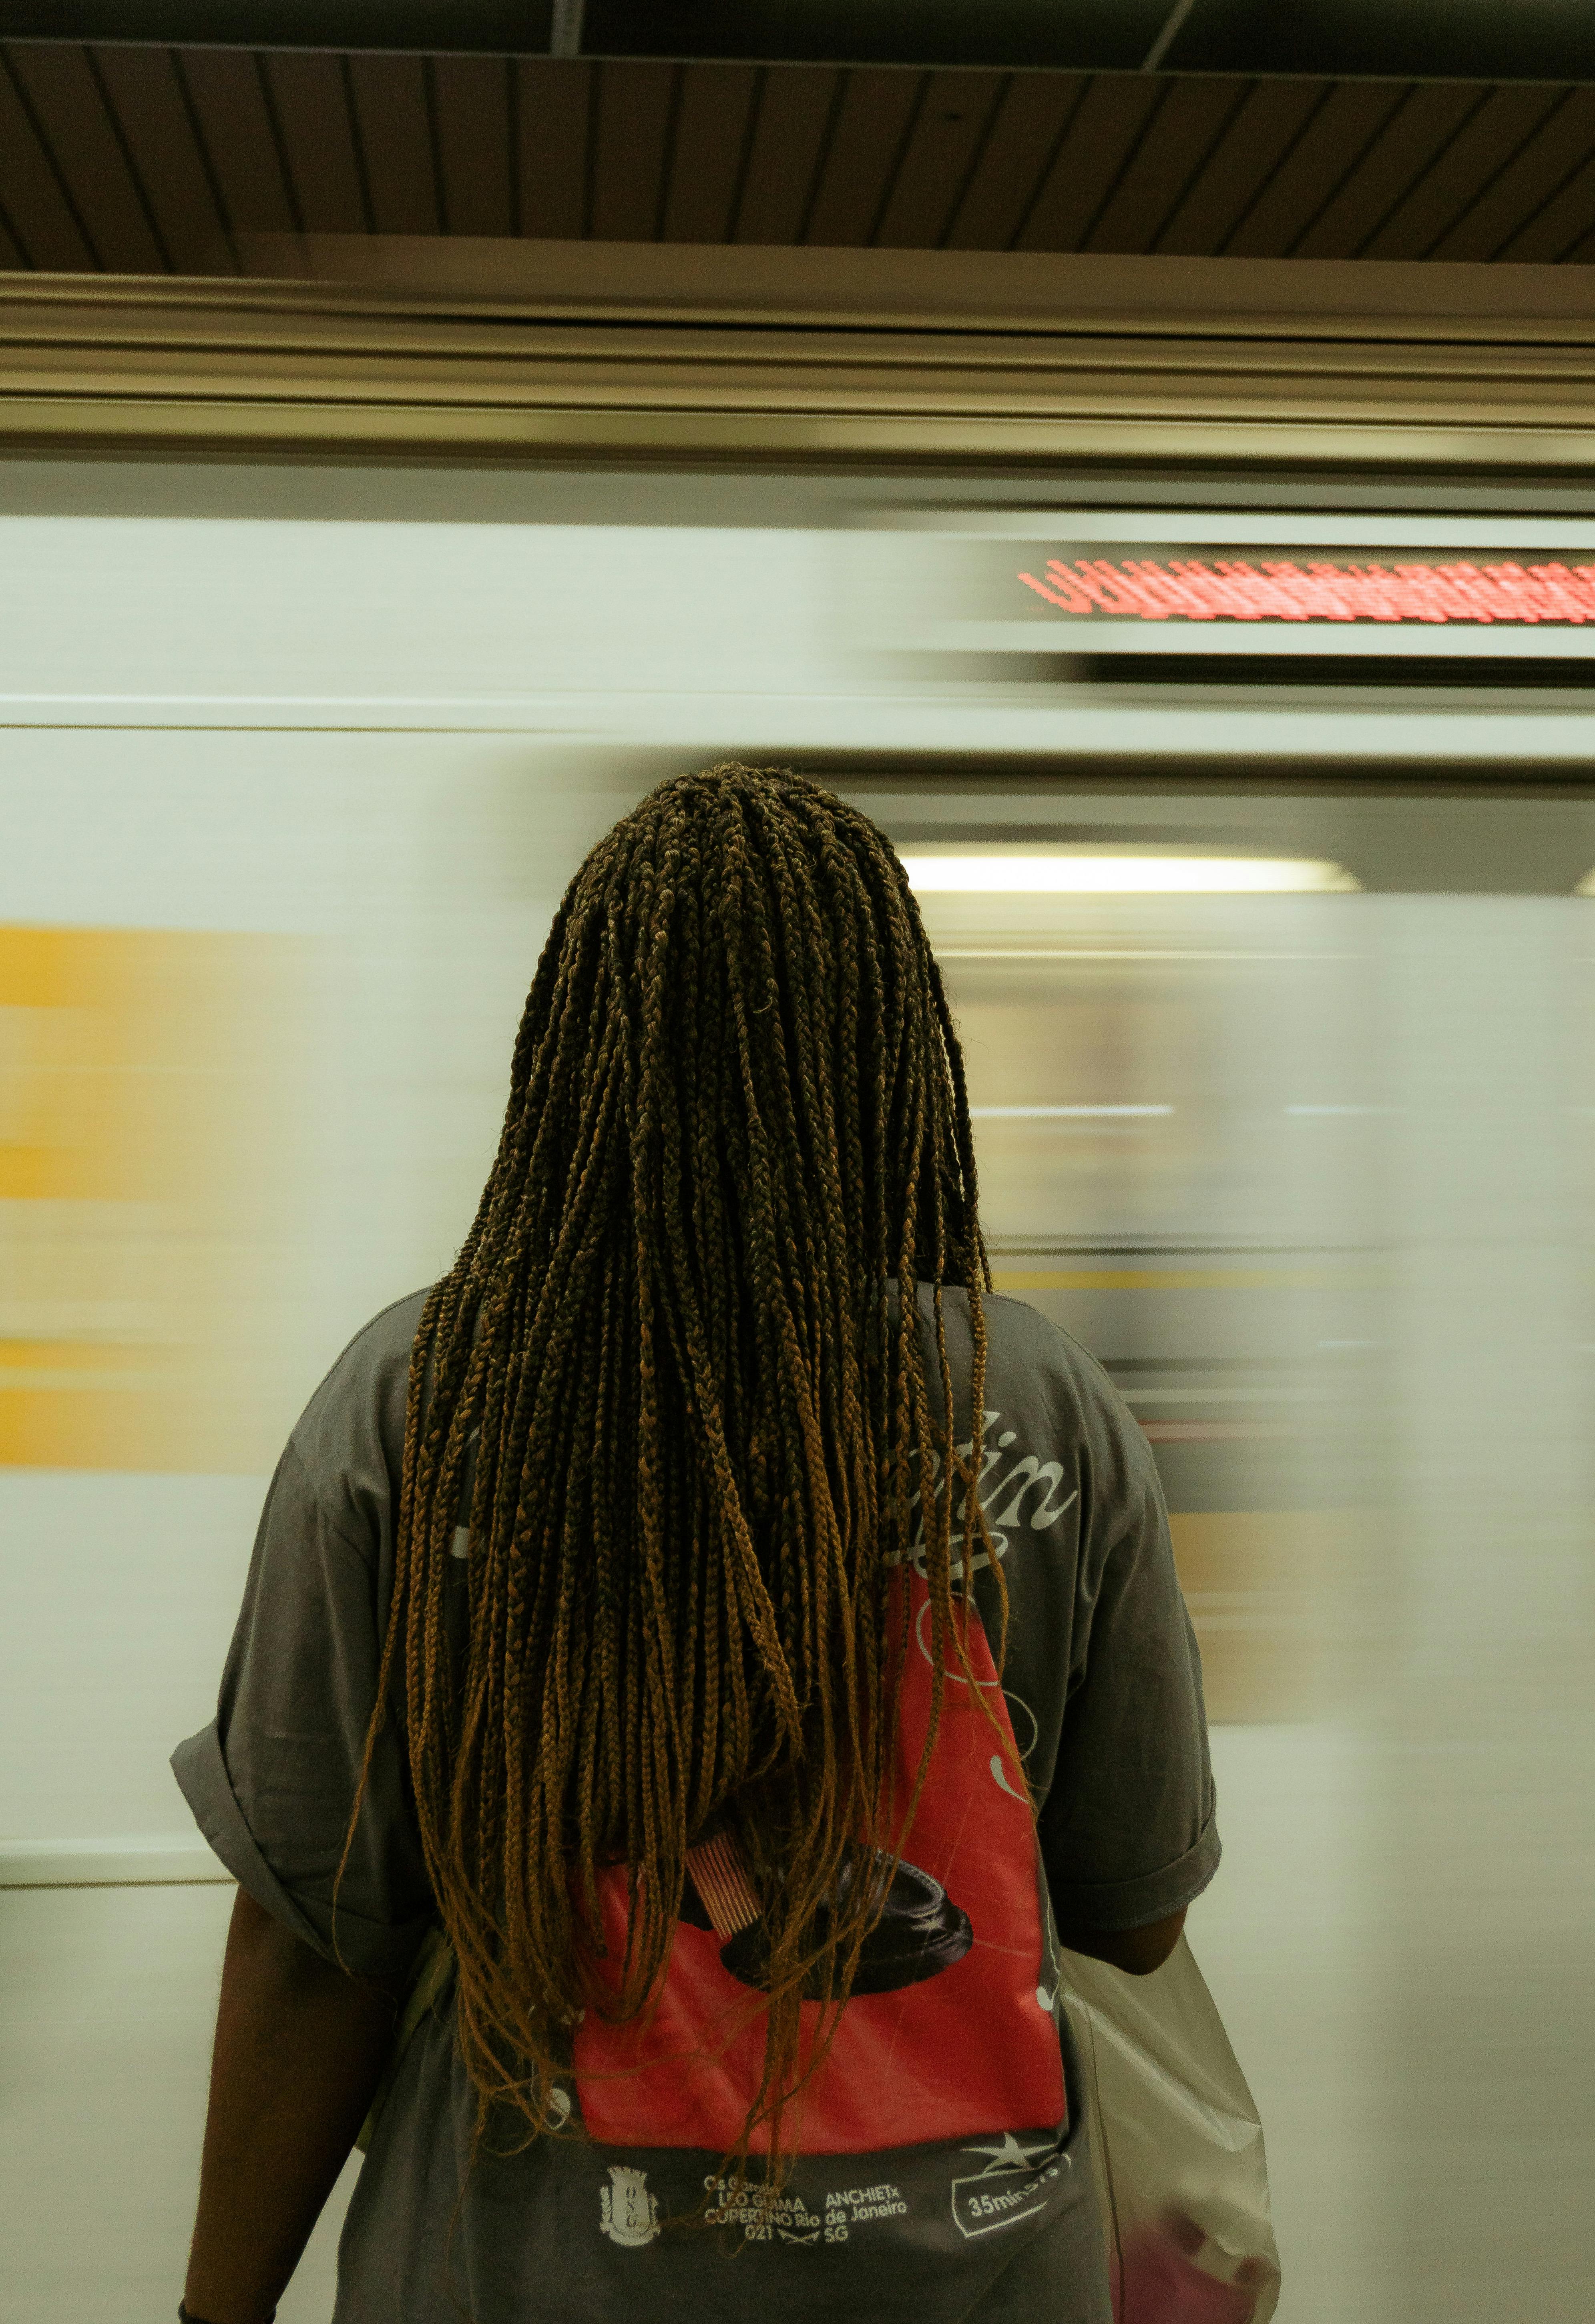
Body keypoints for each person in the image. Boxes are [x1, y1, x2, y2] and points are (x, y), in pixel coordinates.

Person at [173, 763, 1219, 2324]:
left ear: (576, 1053)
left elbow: (316, 1936)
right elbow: (1131, 1908)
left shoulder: (417, 1404)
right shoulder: (1039, 1405)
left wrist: (216, 2312)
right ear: (892, 1053)